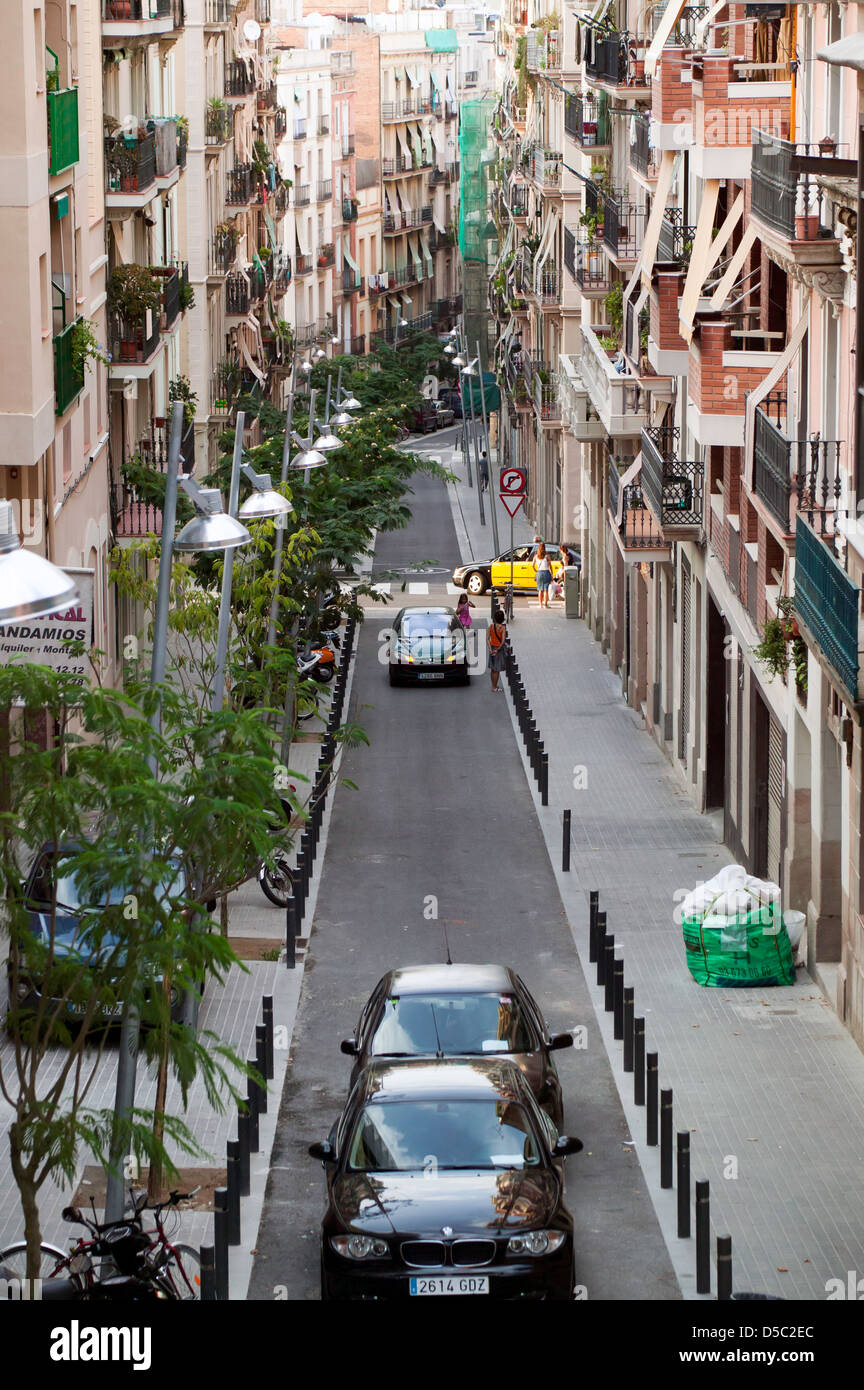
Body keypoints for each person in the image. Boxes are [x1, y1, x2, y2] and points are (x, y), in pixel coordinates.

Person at [487, 608, 507, 691]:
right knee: (497, 670)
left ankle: (493, 686)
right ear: (502, 619)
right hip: (498, 650)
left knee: (492, 669)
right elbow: (503, 642)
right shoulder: (502, 628)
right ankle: (494, 687)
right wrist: (497, 650)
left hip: (492, 648)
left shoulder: (491, 626)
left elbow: (487, 639)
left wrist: (490, 649)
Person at [533, 542, 552, 609]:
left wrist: (537, 571)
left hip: (539, 573)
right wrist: (551, 574)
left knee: (540, 589)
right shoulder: (547, 556)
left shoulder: (536, 556)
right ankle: (546, 605)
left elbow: (533, 566)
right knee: (546, 590)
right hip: (546, 573)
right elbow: (550, 566)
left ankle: (540, 604)